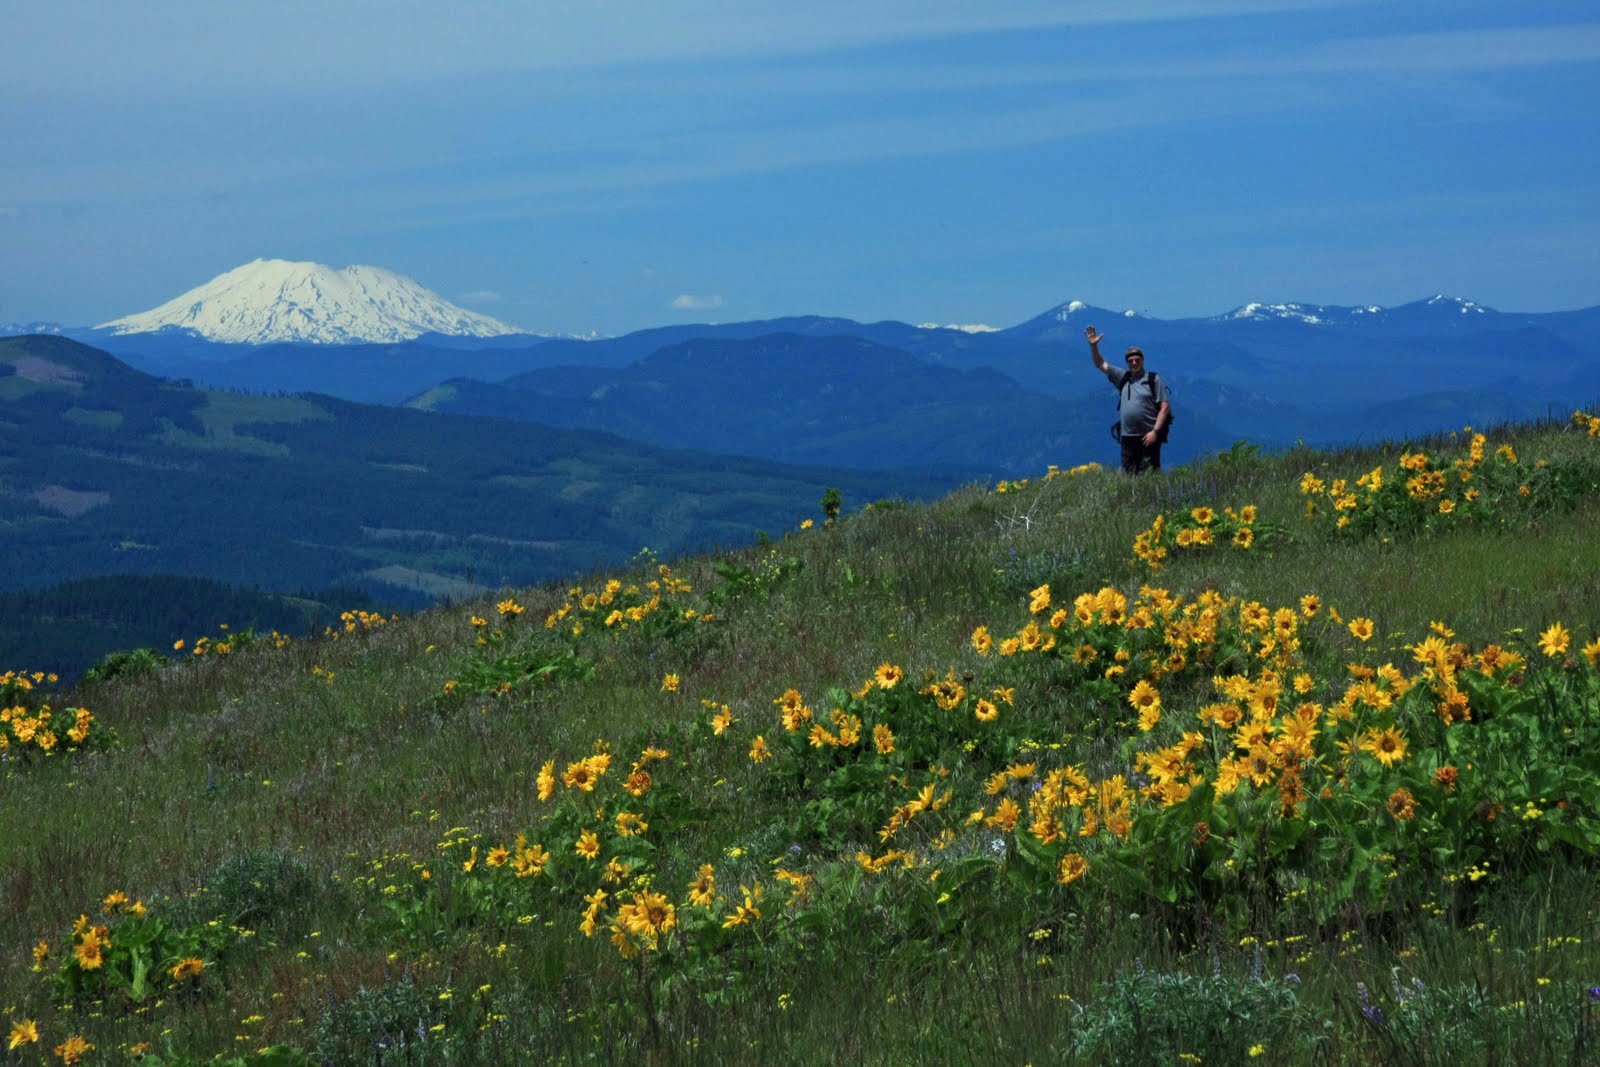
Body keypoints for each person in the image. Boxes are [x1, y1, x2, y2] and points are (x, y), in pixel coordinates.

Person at [1086, 325, 1170, 474]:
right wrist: (1093, 346)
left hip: (1148, 436)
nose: (1134, 363)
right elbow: (1100, 364)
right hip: (1127, 438)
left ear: (1143, 361)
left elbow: (1164, 407)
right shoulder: (1122, 377)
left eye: (1137, 360)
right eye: (1130, 361)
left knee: (1149, 475)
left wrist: (1155, 432)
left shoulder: (1153, 379)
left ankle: (1151, 498)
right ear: (1127, 363)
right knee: (1129, 476)